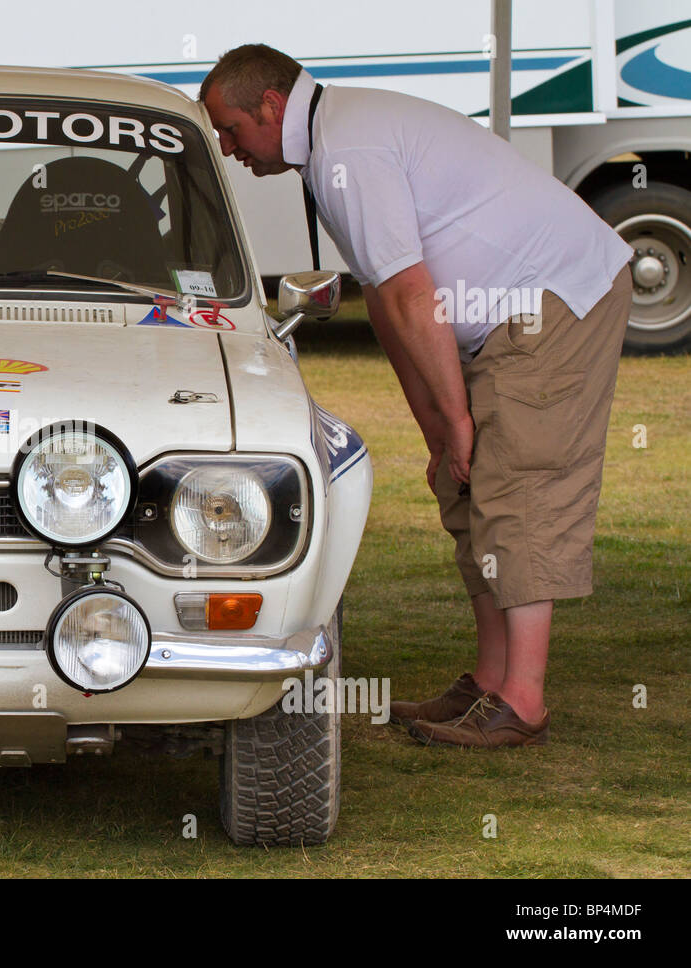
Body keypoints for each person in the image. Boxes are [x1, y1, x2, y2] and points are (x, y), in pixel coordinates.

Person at [200, 44, 634, 748]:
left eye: (231, 130)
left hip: (555, 299)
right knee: (467, 482)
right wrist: (441, 430)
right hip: (503, 314)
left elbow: (409, 294)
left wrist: (458, 418)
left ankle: (521, 700)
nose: (227, 148)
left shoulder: (350, 147)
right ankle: (490, 682)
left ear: (272, 106)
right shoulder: (333, 142)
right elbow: (386, 306)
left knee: (516, 483)